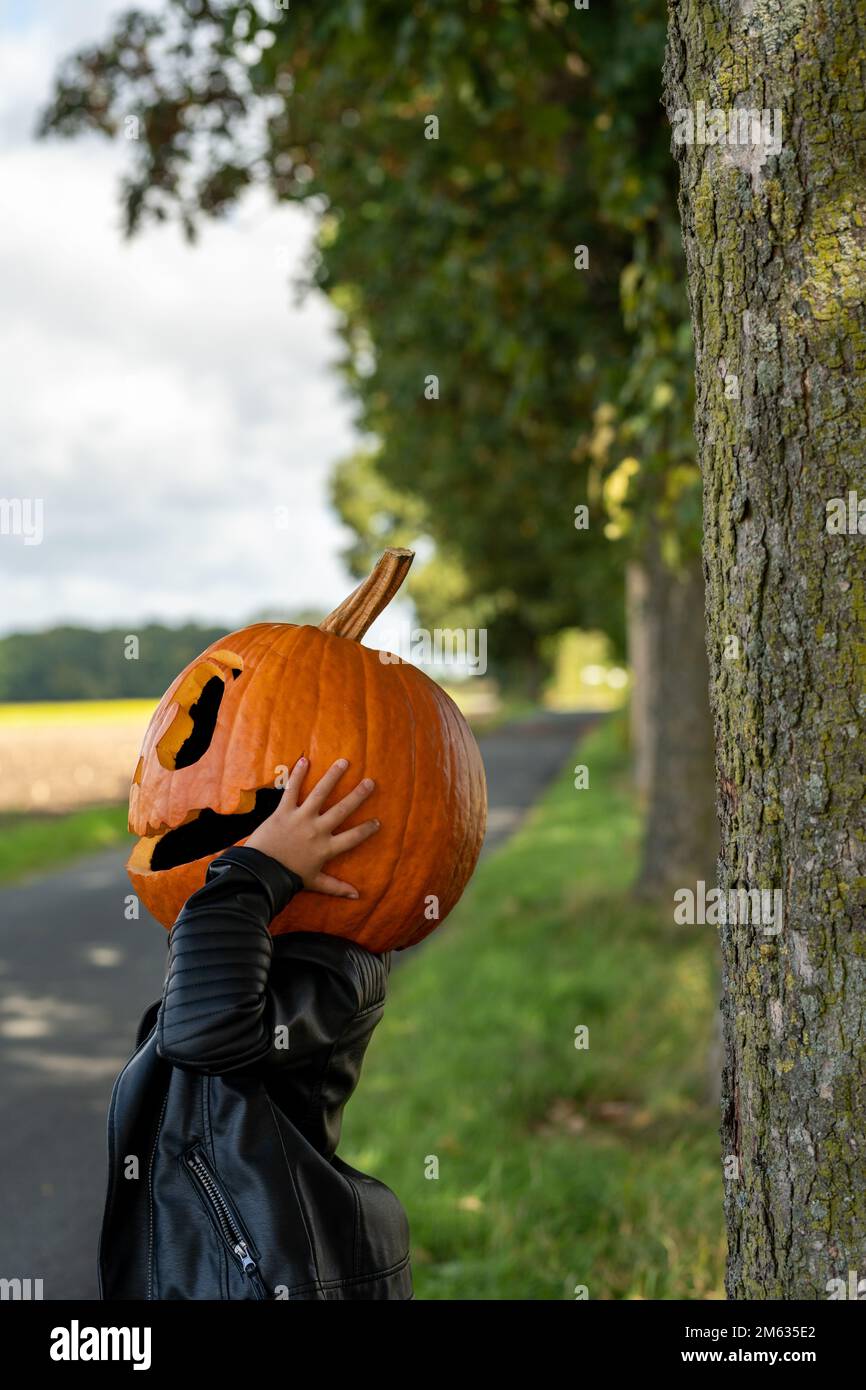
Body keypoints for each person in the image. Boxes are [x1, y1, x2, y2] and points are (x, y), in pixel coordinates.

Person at [98, 756, 413, 1300]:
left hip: (259, 1275)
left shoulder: (333, 965)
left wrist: (253, 873)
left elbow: (206, 1033)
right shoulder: (278, 948)